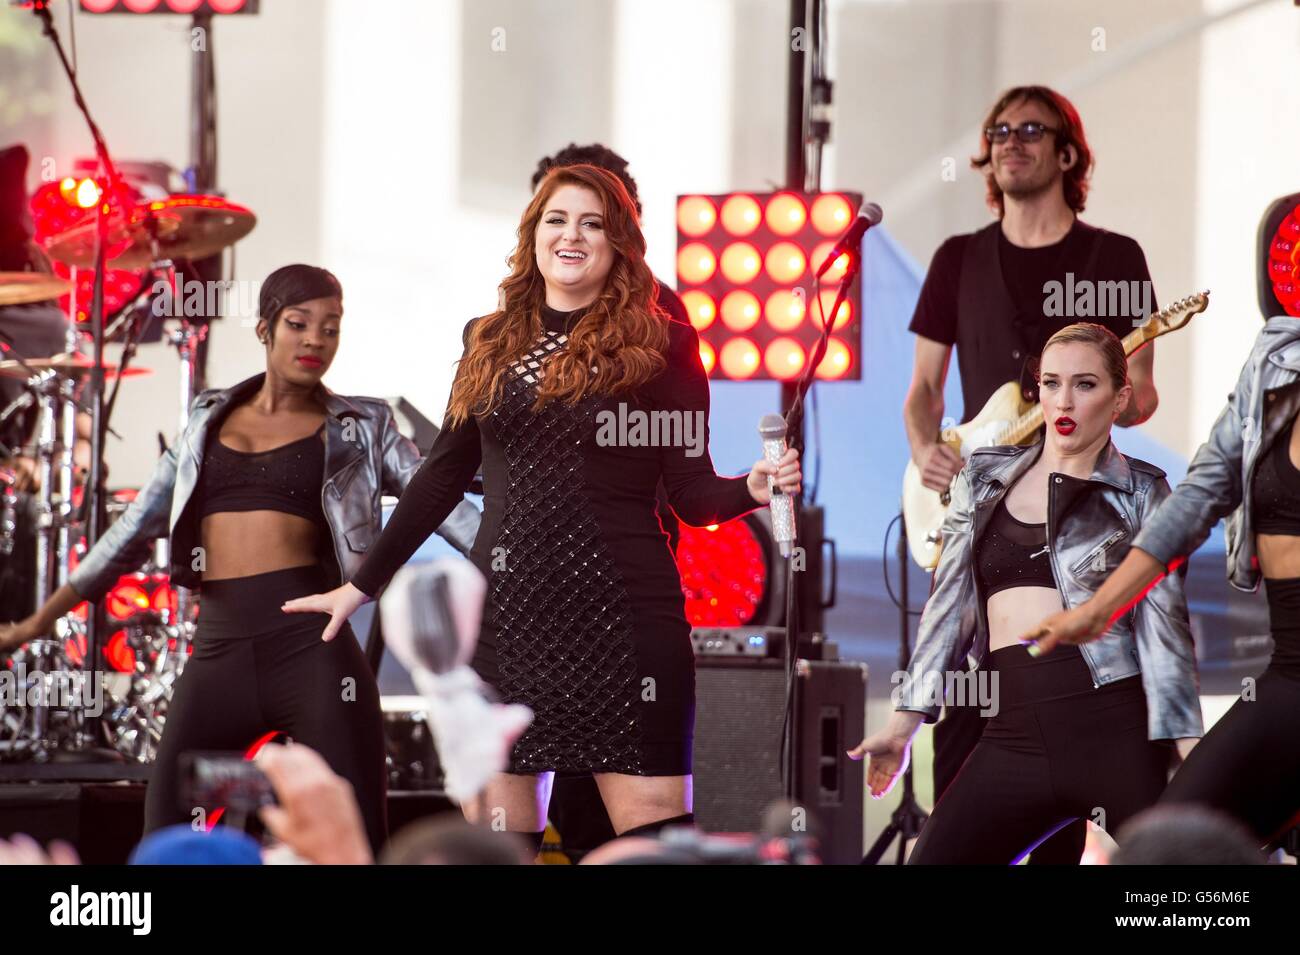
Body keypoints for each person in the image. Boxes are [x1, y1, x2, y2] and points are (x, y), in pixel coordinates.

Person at [283, 164, 801, 852]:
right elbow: (439, 478)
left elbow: (691, 492)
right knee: (501, 847)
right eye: (557, 220)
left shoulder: (665, 344)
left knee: (652, 847)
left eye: (592, 223)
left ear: (618, 243)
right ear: (533, 235)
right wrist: (360, 585)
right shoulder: (488, 339)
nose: (571, 235)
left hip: (625, 622)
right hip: (506, 622)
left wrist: (750, 489)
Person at [0, 264, 482, 854]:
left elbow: (440, 498)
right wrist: (32, 625)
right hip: (218, 655)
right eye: (299, 324)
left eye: (331, 327)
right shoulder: (207, 419)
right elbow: (127, 534)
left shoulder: (363, 424)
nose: (315, 340)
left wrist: (517, 565)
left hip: (314, 653)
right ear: (264, 328)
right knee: (167, 833)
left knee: (355, 836)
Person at [903, 85, 1162, 863]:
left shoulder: (1115, 258)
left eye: (1030, 129)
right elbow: (922, 390)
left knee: (1069, 742)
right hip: (986, 510)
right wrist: (926, 448)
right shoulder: (958, 258)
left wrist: (1105, 397)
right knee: (964, 741)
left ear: (1067, 151)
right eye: (998, 131)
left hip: (1081, 518)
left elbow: (1145, 390)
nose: (1010, 142)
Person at [852, 323, 1201, 863]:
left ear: (1119, 398)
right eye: (1052, 383)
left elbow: (1166, 635)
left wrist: (1191, 752)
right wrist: (901, 729)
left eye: (1085, 384)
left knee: (1198, 891)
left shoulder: (1143, 491)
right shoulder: (983, 479)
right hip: (1013, 735)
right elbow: (948, 614)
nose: (1064, 401)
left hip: (1116, 729)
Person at [1025, 315, 1300, 847]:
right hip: (1290, 669)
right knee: (1167, 847)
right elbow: (1199, 496)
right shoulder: (1275, 359)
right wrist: (1098, 609)